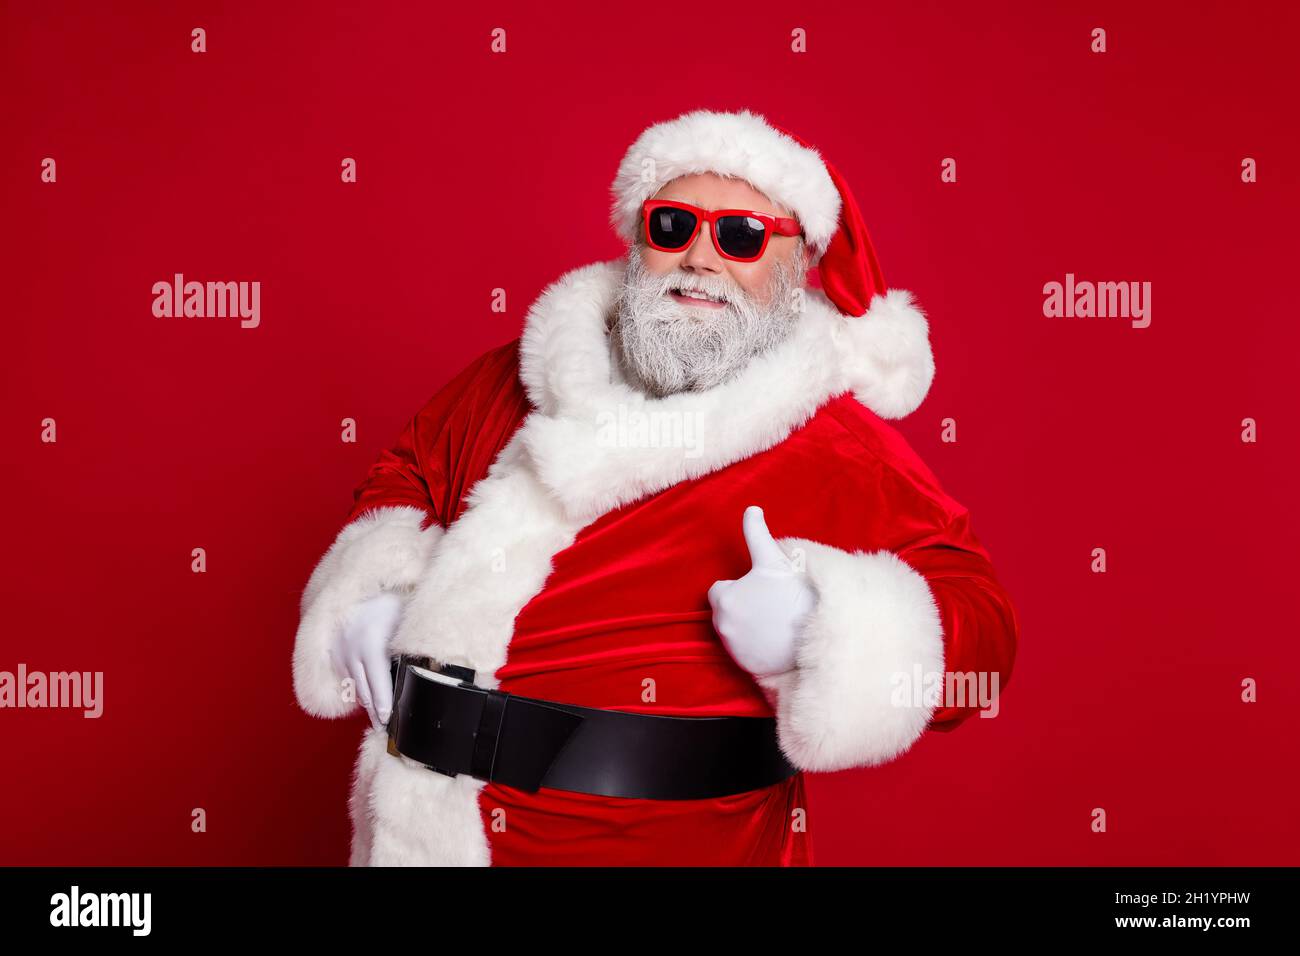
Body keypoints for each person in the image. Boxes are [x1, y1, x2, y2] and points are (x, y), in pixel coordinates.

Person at [292, 108, 1021, 866]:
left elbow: (984, 635)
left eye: (739, 236)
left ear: (797, 259)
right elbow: (409, 468)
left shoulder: (835, 443)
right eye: (674, 225)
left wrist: (823, 627)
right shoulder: (517, 375)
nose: (700, 258)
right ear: (641, 240)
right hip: (431, 834)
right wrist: (374, 585)